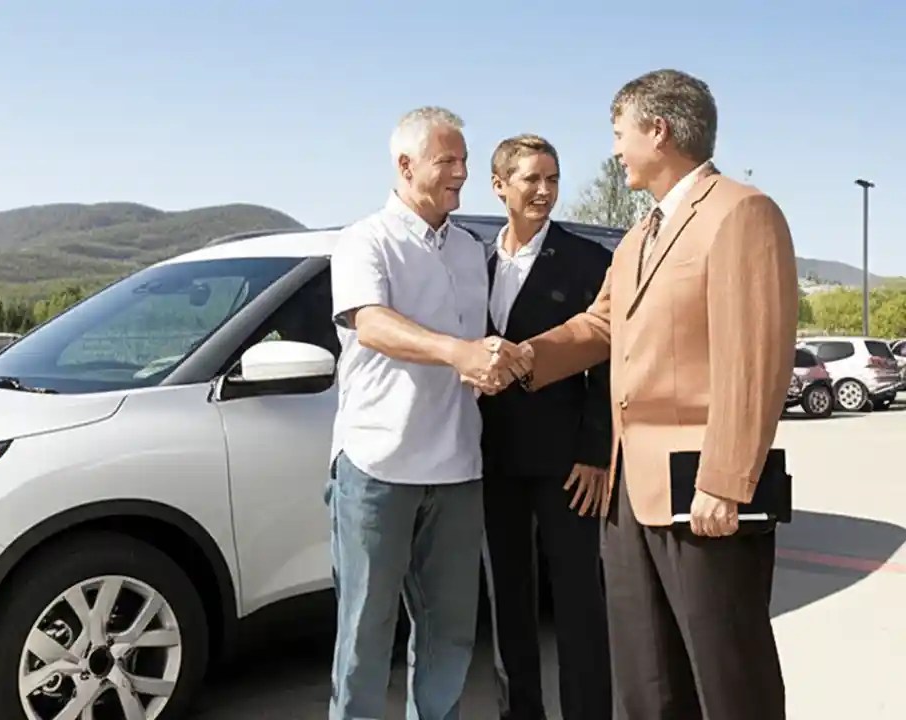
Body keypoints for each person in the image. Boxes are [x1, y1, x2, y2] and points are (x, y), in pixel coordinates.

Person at [480, 69, 797, 719]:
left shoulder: (741, 213)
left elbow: (756, 354)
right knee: (646, 682)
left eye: (620, 133)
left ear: (659, 130)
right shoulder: (637, 238)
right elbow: (598, 326)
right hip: (631, 493)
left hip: (702, 489)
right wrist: (521, 359)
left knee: (725, 676)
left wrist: (728, 478)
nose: (616, 149)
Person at [326, 106, 517, 720]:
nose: (462, 172)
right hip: (378, 468)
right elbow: (372, 324)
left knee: (450, 637)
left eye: (464, 159)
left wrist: (494, 357)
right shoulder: (365, 241)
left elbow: (482, 335)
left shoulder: (469, 251)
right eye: (448, 161)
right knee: (364, 638)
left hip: (458, 468)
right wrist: (455, 351)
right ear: (406, 166)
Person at [477, 134, 613, 720]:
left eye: (552, 178)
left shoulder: (589, 262)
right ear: (499, 185)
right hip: (490, 460)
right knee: (508, 602)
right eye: (531, 178)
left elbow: (611, 362)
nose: (544, 190)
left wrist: (596, 450)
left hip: (567, 465)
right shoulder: (472, 264)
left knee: (581, 605)